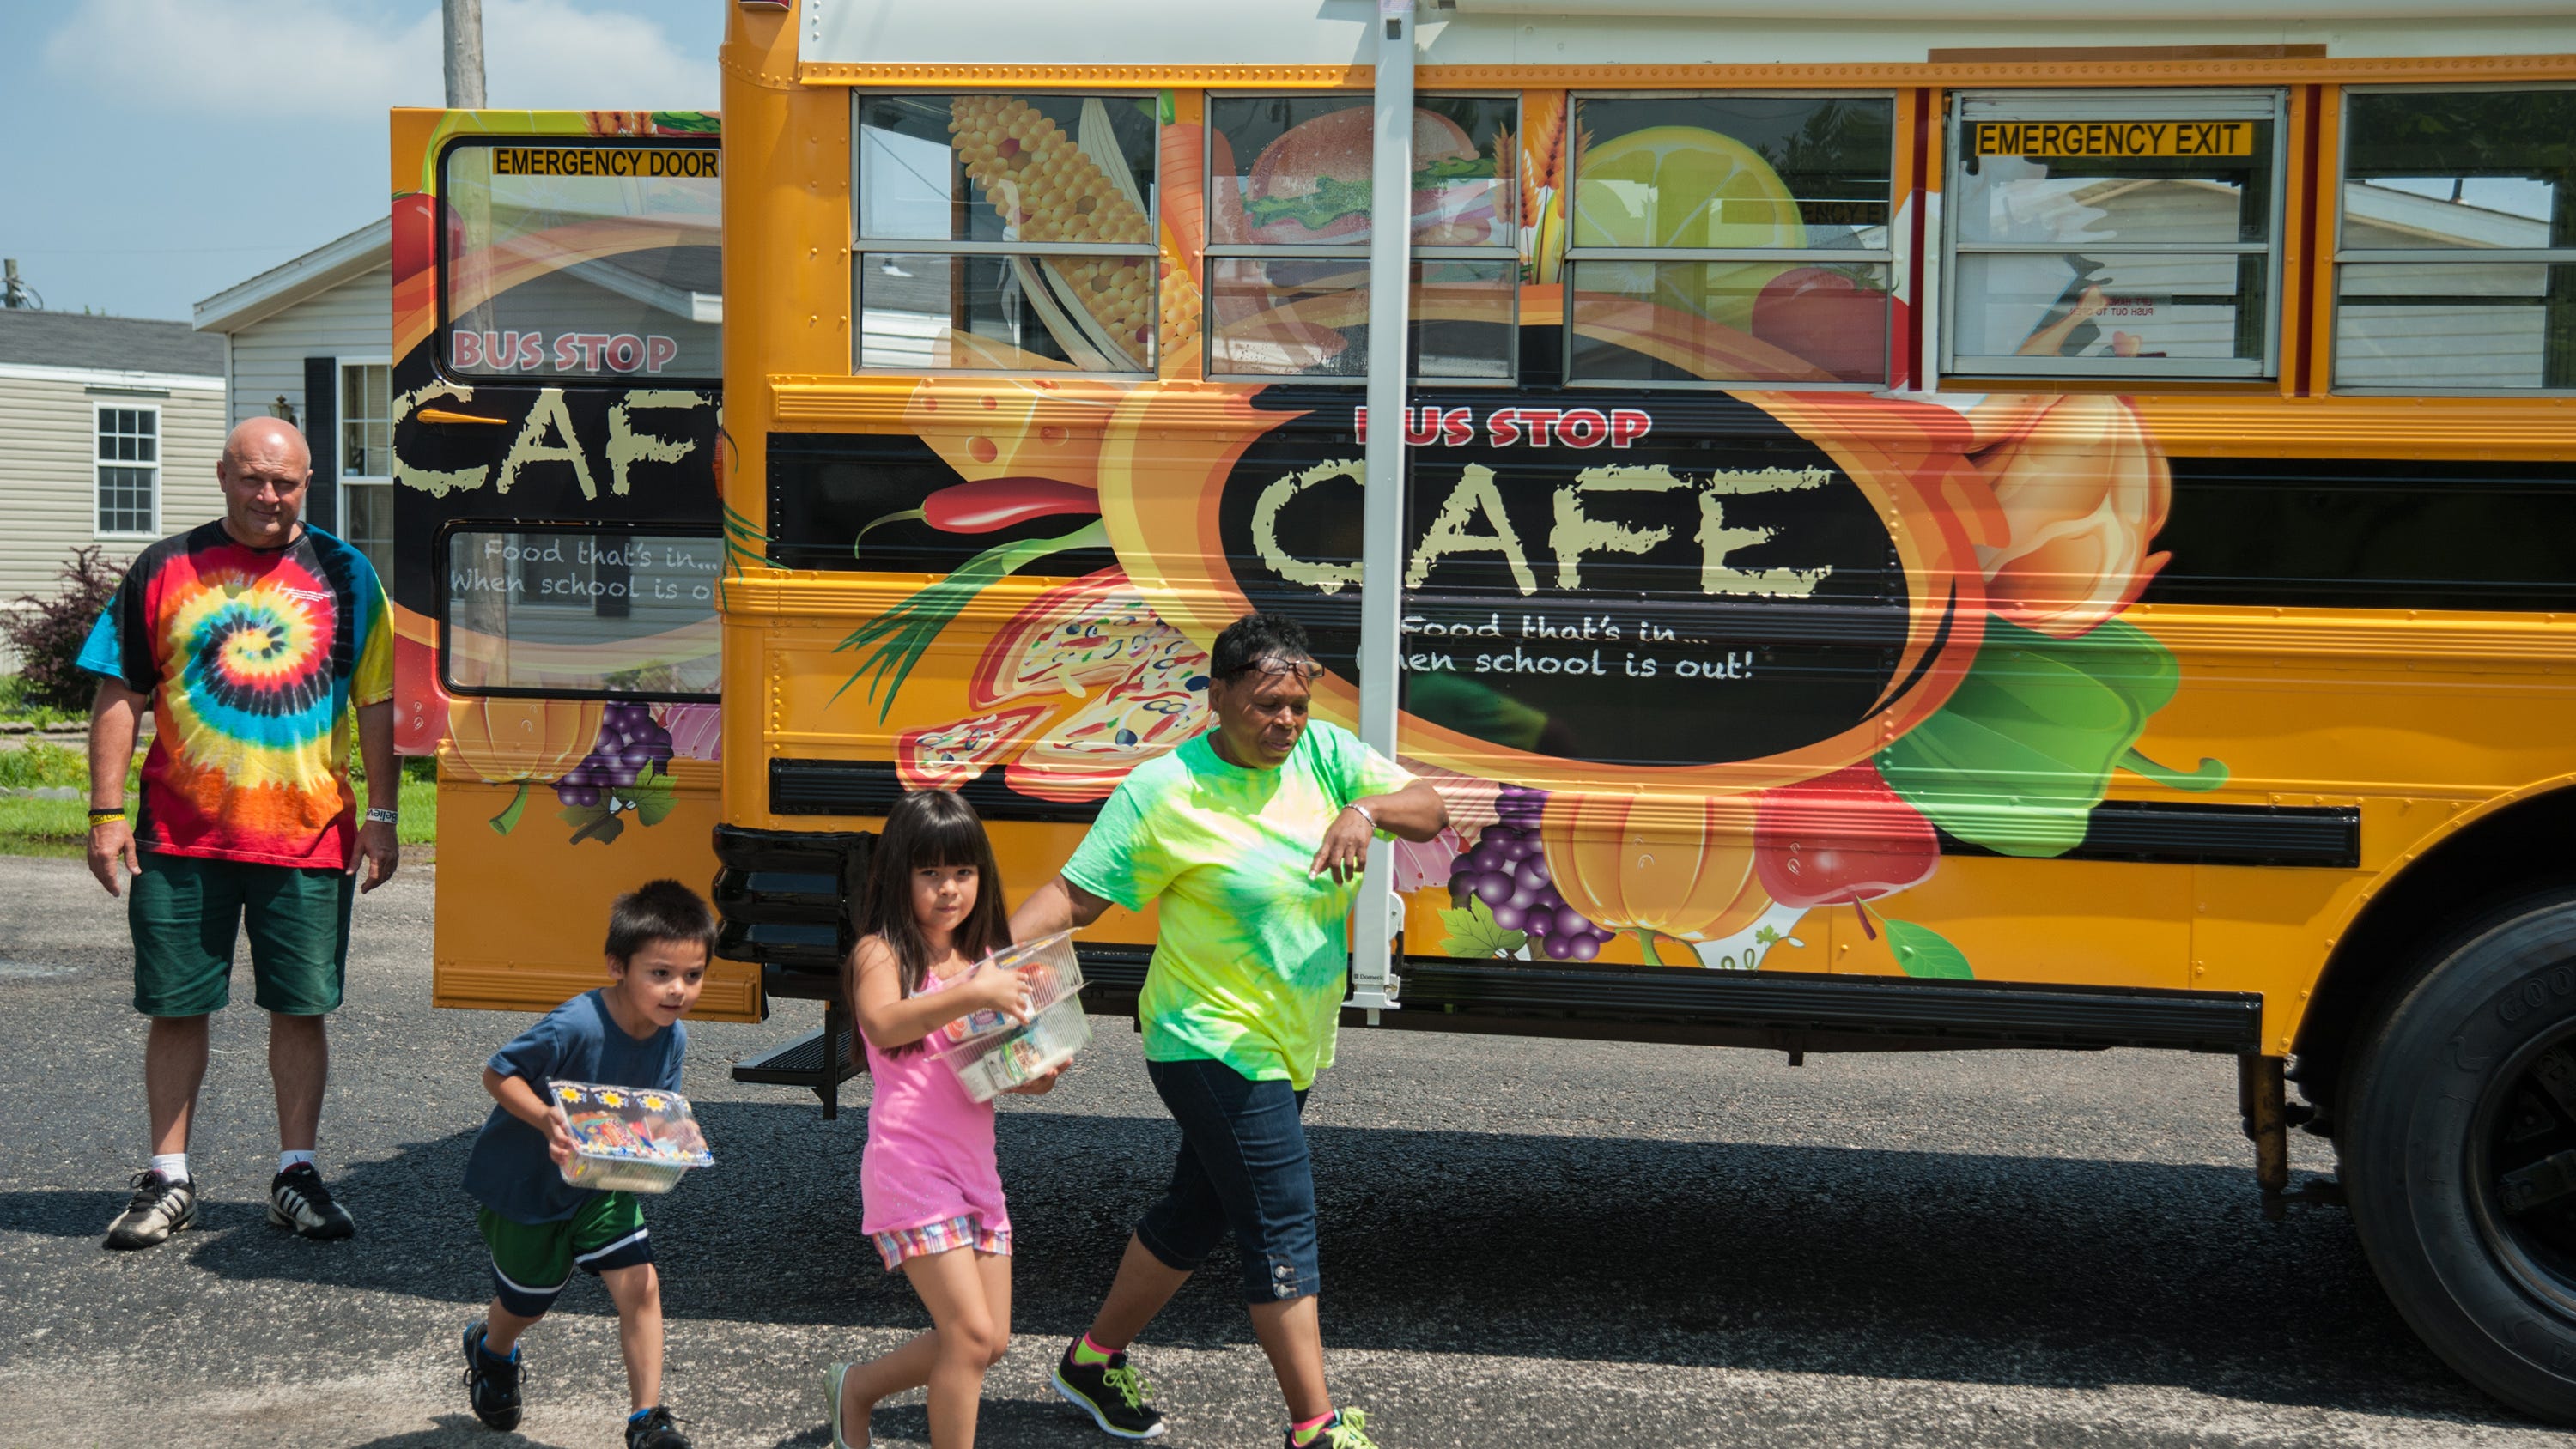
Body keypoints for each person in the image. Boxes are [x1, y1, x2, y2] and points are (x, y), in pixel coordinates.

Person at [1012, 613, 1449, 1449]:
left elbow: (1429, 808)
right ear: (1216, 697)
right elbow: (1075, 896)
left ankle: (1093, 1360)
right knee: (1281, 1220)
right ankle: (1313, 1426)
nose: (1284, 720)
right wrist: (984, 971)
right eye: (1264, 704)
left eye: (1296, 703)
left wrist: (1366, 808)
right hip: (1207, 1040)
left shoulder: (1325, 757)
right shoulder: (1166, 788)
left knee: (1196, 1211)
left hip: (1291, 1039)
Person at [82, 415, 398, 1252]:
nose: (270, 496)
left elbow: (376, 703)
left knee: (301, 1007)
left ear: (309, 481)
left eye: (286, 482)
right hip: (180, 837)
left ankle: (296, 1173)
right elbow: (121, 692)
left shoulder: (347, 573)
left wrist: (386, 813)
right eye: (254, 478)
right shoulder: (164, 566)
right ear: (222, 474)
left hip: (309, 836)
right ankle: (168, 1176)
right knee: (175, 1006)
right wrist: (105, 811)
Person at [829, 790, 1062, 1449]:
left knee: (991, 1340)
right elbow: (881, 1020)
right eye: (929, 873)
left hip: (973, 1171)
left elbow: (991, 1070)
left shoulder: (982, 962)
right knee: (967, 1335)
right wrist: (972, 990)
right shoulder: (881, 953)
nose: (948, 889)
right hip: (909, 1167)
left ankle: (858, 1388)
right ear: (897, 874)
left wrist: (1036, 1074)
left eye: (962, 872)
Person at [459, 878, 714, 1449]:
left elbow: (651, 1112)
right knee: (526, 1302)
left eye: (693, 976)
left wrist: (676, 1131)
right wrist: (549, 1118)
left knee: (641, 1287)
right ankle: (492, 1349)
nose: (678, 990)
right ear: (617, 966)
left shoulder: (672, 1038)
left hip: (602, 1186)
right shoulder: (574, 1024)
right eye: (661, 974)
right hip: (526, 1190)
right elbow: (498, 1074)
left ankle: (647, 1419)